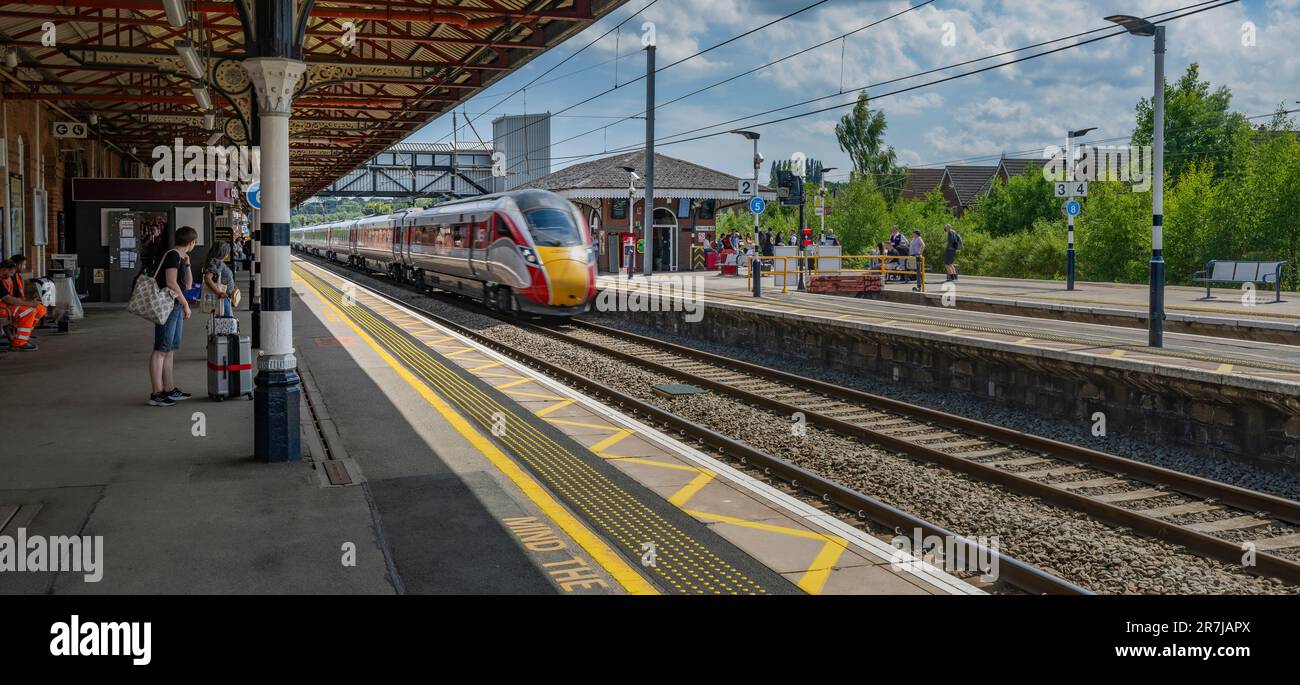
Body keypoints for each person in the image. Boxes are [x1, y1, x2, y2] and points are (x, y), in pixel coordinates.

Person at [147, 227, 198, 407]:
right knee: (161, 349)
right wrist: (185, 304)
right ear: (191, 242)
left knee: (170, 349)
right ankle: (156, 393)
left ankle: (169, 389)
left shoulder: (180, 258)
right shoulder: (172, 256)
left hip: (175, 307)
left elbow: (188, 285)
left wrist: (187, 263)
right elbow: (170, 282)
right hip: (167, 306)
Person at [1, 259, 45, 351]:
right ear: (5, 269)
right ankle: (19, 343)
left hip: (7, 306)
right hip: (3, 309)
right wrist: (30, 303)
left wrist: (30, 301)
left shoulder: (7, 279)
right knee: (29, 311)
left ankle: (17, 330)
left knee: (41, 309)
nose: (12, 275)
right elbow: (9, 299)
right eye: (11, 273)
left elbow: (14, 297)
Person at [201, 241, 239, 314]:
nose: (228, 254)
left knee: (224, 319)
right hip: (222, 298)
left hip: (224, 297)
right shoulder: (217, 262)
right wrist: (219, 293)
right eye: (227, 252)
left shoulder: (215, 261)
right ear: (223, 252)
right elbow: (207, 279)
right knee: (228, 319)